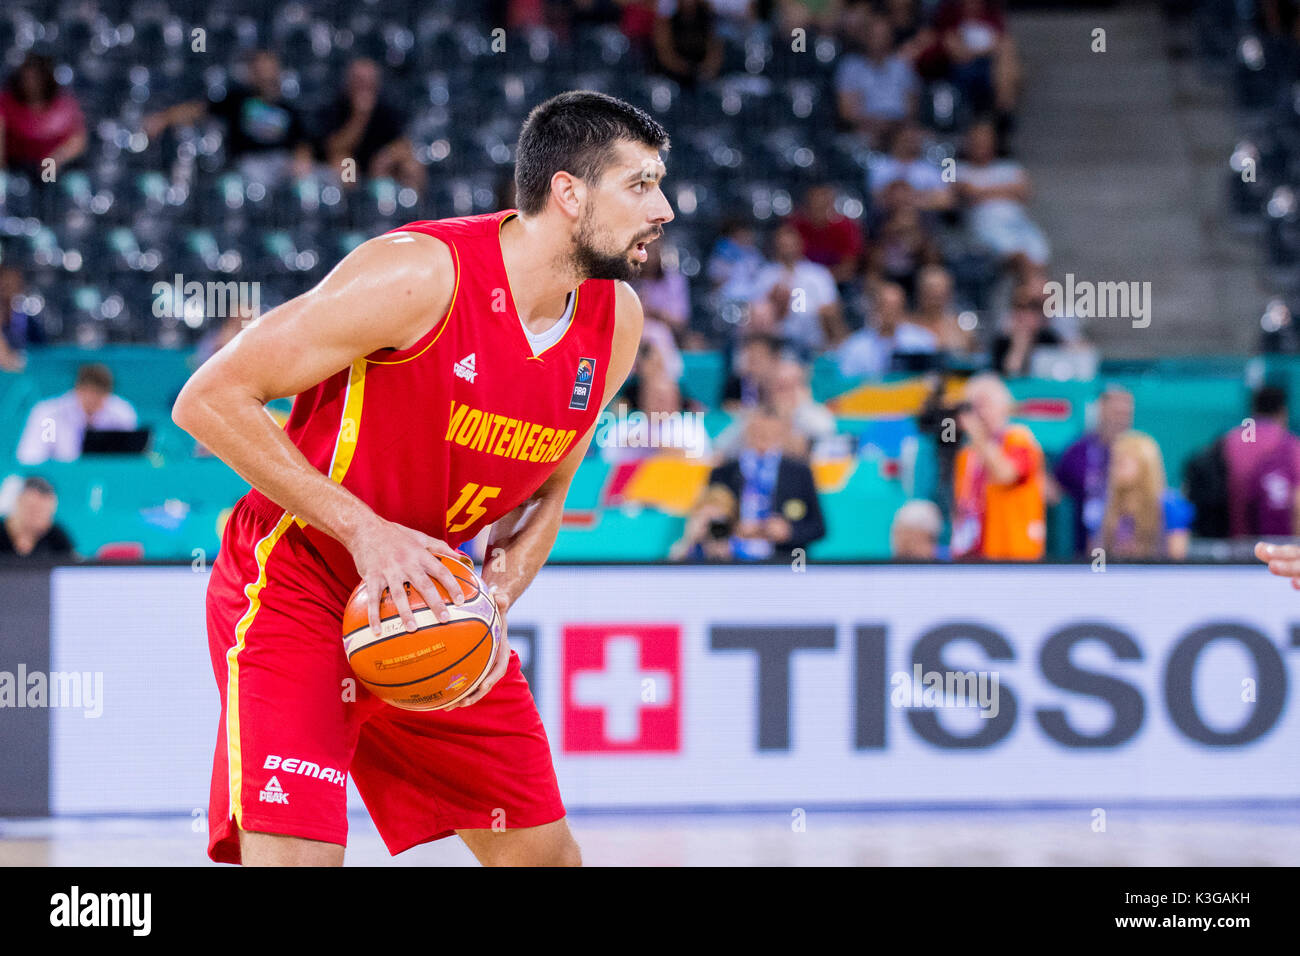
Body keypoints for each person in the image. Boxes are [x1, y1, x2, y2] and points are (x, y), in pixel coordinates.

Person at [171, 91, 673, 867]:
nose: (664, 207)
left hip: (434, 600)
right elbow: (207, 401)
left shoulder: (618, 322)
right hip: (300, 583)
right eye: (640, 185)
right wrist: (363, 530)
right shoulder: (418, 274)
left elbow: (551, 493)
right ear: (568, 193)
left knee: (543, 858)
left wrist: (495, 598)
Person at [144, 50, 313, 186]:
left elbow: (301, 142)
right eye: (260, 70)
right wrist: (164, 117)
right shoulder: (238, 100)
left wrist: (302, 161)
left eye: (269, 69)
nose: (265, 75)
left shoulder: (288, 108)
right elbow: (198, 110)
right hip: (248, 163)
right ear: (252, 73)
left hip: (281, 162)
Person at [705, 404, 826, 560]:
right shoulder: (724, 473)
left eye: (769, 433)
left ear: (781, 434)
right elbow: (710, 523)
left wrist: (789, 531)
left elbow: (818, 527)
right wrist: (733, 529)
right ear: (747, 431)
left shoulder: (799, 473)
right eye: (757, 432)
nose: (763, 438)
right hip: (734, 562)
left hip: (784, 561)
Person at [950, 372, 1045, 560]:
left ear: (1003, 406)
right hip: (975, 554)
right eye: (972, 407)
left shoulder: (1018, 439)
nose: (977, 414)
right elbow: (962, 507)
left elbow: (1006, 475)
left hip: (1013, 553)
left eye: (983, 404)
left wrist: (979, 439)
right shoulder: (967, 454)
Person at [319, 58, 424, 195]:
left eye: (369, 81)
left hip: (381, 165)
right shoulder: (335, 107)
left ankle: (412, 210)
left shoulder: (387, 108)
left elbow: (403, 145)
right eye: (359, 80)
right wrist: (360, 117)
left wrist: (386, 157)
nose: (364, 86)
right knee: (345, 165)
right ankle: (349, 210)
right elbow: (334, 148)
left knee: (412, 167)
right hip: (350, 162)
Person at [956, 120, 1048, 274]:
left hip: (1020, 224)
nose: (981, 145)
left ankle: (1034, 292)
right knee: (1021, 256)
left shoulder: (1009, 167)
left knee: (1039, 254)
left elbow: (1025, 191)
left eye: (985, 140)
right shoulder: (958, 168)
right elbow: (964, 192)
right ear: (968, 141)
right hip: (985, 226)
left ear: (994, 142)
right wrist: (1007, 191)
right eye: (977, 140)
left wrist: (981, 192)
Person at [1052, 385, 1134, 556]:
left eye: (1126, 413)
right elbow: (1055, 490)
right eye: (1116, 411)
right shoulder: (1079, 450)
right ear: (1101, 410)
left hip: (1130, 547)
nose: (1121, 419)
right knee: (1098, 570)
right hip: (1086, 545)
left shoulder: (1138, 451)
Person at [750, 222, 847, 356]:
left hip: (814, 341)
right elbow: (757, 312)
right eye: (783, 245)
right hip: (777, 342)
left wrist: (805, 310)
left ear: (800, 244)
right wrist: (774, 301)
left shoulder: (818, 274)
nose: (787, 249)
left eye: (791, 244)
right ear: (776, 246)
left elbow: (830, 308)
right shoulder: (765, 276)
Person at [1095, 430, 1191, 561]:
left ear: (1144, 466)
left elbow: (1177, 559)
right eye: (1113, 463)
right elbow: (1096, 556)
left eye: (1121, 463)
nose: (1114, 469)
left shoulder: (1170, 507)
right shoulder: (1108, 506)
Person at [16, 364, 139, 465]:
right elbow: (31, 457)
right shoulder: (49, 415)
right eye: (90, 392)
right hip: (57, 480)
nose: (94, 399)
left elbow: (130, 459)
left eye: (100, 394)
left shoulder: (122, 414)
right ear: (78, 389)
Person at [1224, 385, 1300, 538]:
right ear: (1283, 412)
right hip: (1278, 546)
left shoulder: (1229, 441)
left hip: (1231, 543)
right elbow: (1297, 502)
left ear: (1253, 411)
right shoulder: (1290, 445)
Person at [835, 13, 920, 148]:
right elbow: (847, 112)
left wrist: (893, 125)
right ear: (864, 37)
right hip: (865, 128)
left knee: (916, 139)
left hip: (898, 129)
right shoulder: (850, 66)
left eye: (883, 35)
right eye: (874, 35)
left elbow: (912, 109)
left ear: (891, 37)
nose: (878, 40)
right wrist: (874, 123)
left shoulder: (903, 66)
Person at [0, 53, 87, 175]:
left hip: (52, 165)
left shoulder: (64, 106)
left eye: (35, 78)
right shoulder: (5, 103)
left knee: (76, 188)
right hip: (14, 165)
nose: (30, 83)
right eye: (27, 78)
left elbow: (77, 139)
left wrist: (57, 157)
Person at [836, 281, 937, 378]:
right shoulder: (855, 346)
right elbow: (847, 383)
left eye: (895, 306)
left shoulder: (921, 340)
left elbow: (931, 378)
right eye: (885, 306)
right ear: (875, 307)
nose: (890, 312)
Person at [0, 476, 75, 558]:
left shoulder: (56, 538)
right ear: (17, 503)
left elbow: (72, 565)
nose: (38, 517)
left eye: (45, 512)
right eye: (32, 509)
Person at [669, 483, 739, 561]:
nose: (712, 526)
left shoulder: (737, 544)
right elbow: (672, 562)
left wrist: (727, 555)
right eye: (707, 517)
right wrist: (689, 540)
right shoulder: (690, 546)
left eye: (717, 522)